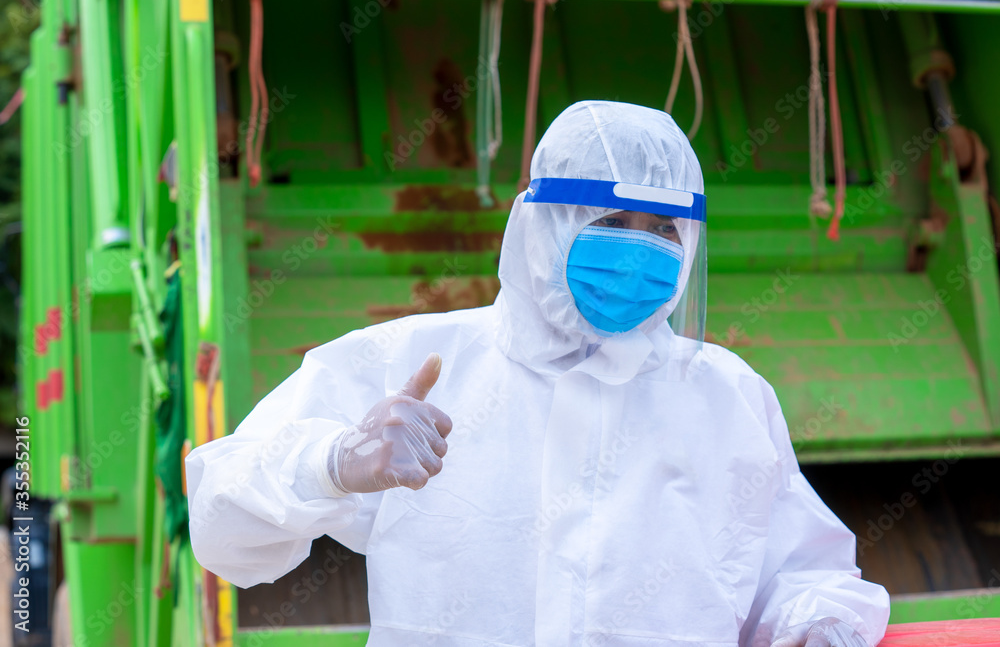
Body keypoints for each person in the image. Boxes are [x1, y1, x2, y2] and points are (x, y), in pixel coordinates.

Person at [185, 100, 890, 647]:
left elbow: (799, 570)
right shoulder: (416, 364)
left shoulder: (725, 397)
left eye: (663, 230)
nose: (640, 250)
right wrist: (332, 461)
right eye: (616, 219)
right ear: (542, 223)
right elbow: (220, 524)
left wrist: (819, 621)